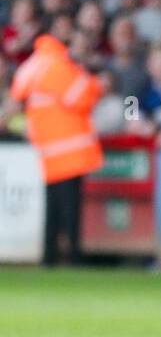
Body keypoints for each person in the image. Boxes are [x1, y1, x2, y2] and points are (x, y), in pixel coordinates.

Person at [9, 33, 104, 265]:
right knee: (70, 209)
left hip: (48, 149)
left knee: (53, 208)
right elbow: (87, 97)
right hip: (72, 148)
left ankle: (49, 257)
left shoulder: (31, 66)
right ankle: (73, 257)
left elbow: (16, 95)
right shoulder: (62, 66)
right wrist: (94, 79)